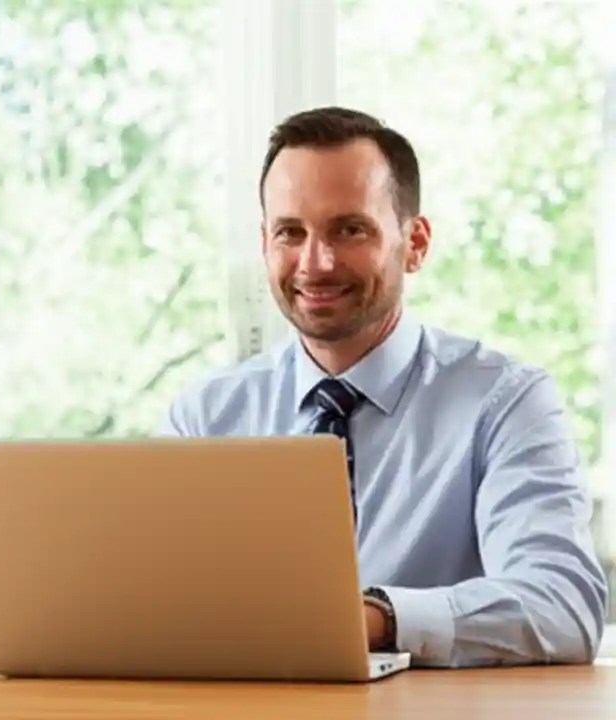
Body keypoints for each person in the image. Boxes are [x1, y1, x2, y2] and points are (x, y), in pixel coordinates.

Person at [160, 106, 609, 668]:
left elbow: (562, 607)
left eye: (349, 230)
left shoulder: (507, 402)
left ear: (415, 243)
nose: (315, 264)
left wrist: (374, 619)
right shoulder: (203, 419)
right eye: (290, 233)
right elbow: (160, 606)